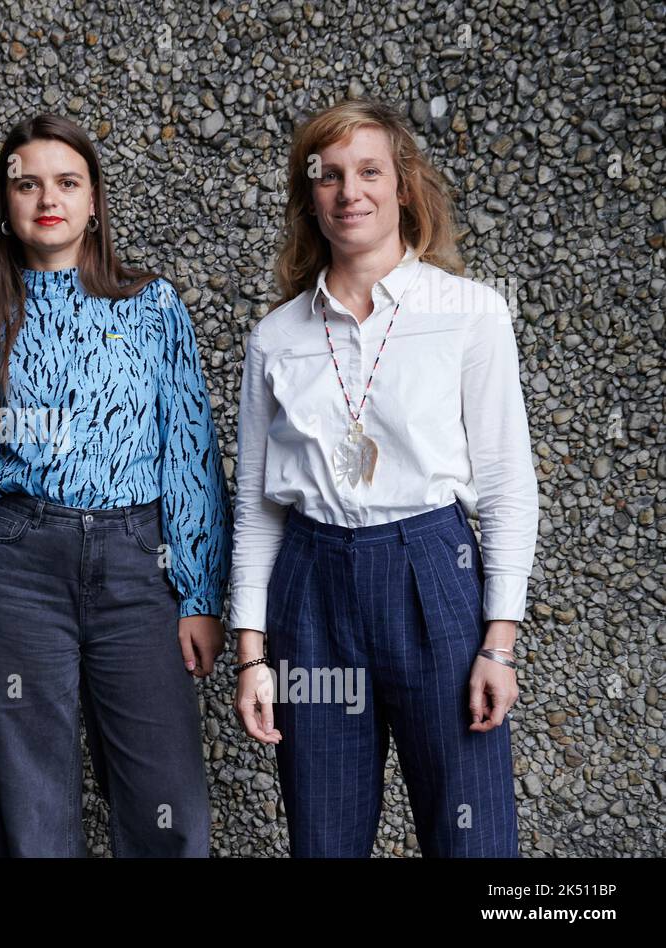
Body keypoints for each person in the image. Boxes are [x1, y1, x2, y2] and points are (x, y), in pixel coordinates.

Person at [0, 114, 232, 857]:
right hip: (20, 571)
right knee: (31, 814)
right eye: (26, 184)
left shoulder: (153, 308)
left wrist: (199, 591)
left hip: (137, 563)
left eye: (66, 182)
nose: (46, 198)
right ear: (5, 206)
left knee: (170, 806)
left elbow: (188, 449)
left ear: (94, 203)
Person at [231, 98, 538, 857]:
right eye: (328, 175)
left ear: (403, 186)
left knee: (471, 834)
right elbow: (257, 509)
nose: (349, 192)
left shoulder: (468, 314)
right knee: (324, 833)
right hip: (312, 590)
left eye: (369, 171)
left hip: (431, 572)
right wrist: (251, 654)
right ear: (310, 195)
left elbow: (504, 485)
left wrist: (499, 642)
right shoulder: (276, 339)